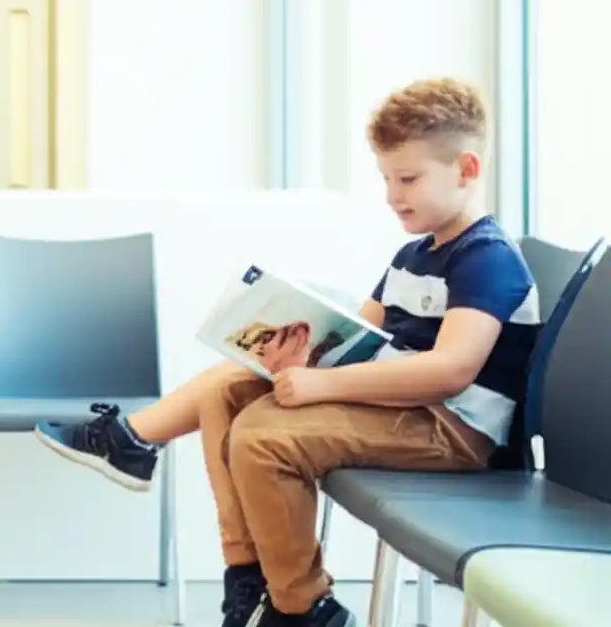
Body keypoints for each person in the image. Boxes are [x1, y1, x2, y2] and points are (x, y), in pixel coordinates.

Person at [34, 78, 538, 627]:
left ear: (466, 170)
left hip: (454, 429)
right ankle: (246, 570)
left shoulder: (487, 258)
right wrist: (298, 353)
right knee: (227, 392)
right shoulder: (413, 254)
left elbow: (450, 371)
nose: (393, 195)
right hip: (408, 407)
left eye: (408, 179)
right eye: (386, 178)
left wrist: (322, 384)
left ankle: (301, 607)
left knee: (263, 436)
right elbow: (357, 339)